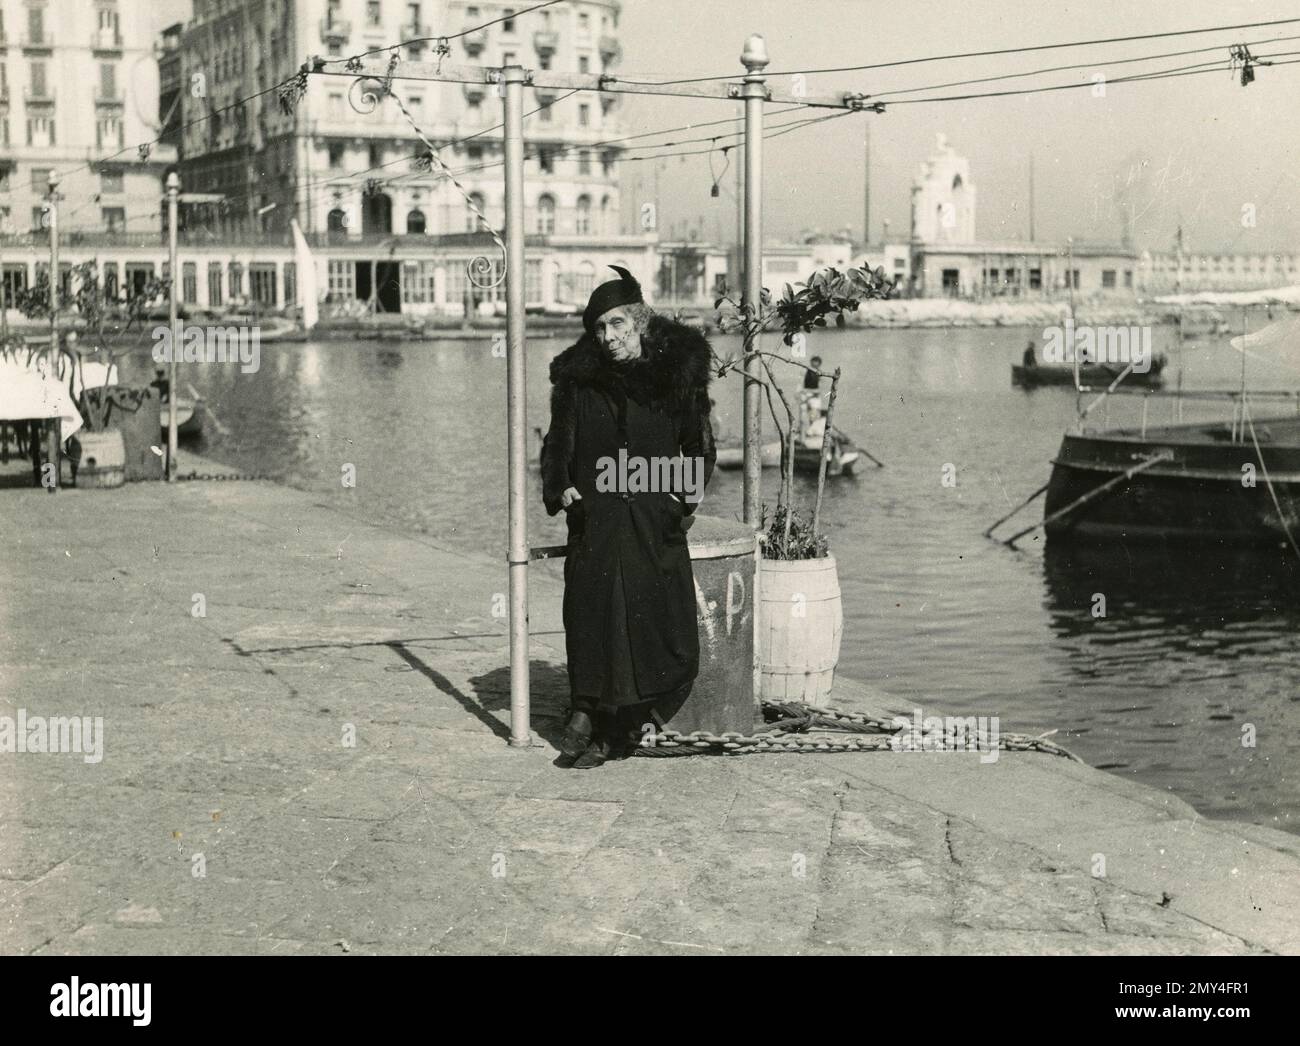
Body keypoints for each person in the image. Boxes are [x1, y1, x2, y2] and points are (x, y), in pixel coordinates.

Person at [540, 266, 716, 769]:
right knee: (592, 611)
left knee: (641, 617)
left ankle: (616, 726)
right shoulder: (579, 381)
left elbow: (699, 448)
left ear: (639, 322)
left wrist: (679, 507)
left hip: (650, 519)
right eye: (599, 328)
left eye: (617, 325)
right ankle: (588, 709)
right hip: (595, 517)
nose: (609, 338)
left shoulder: (674, 374)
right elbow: (558, 443)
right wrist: (560, 486)